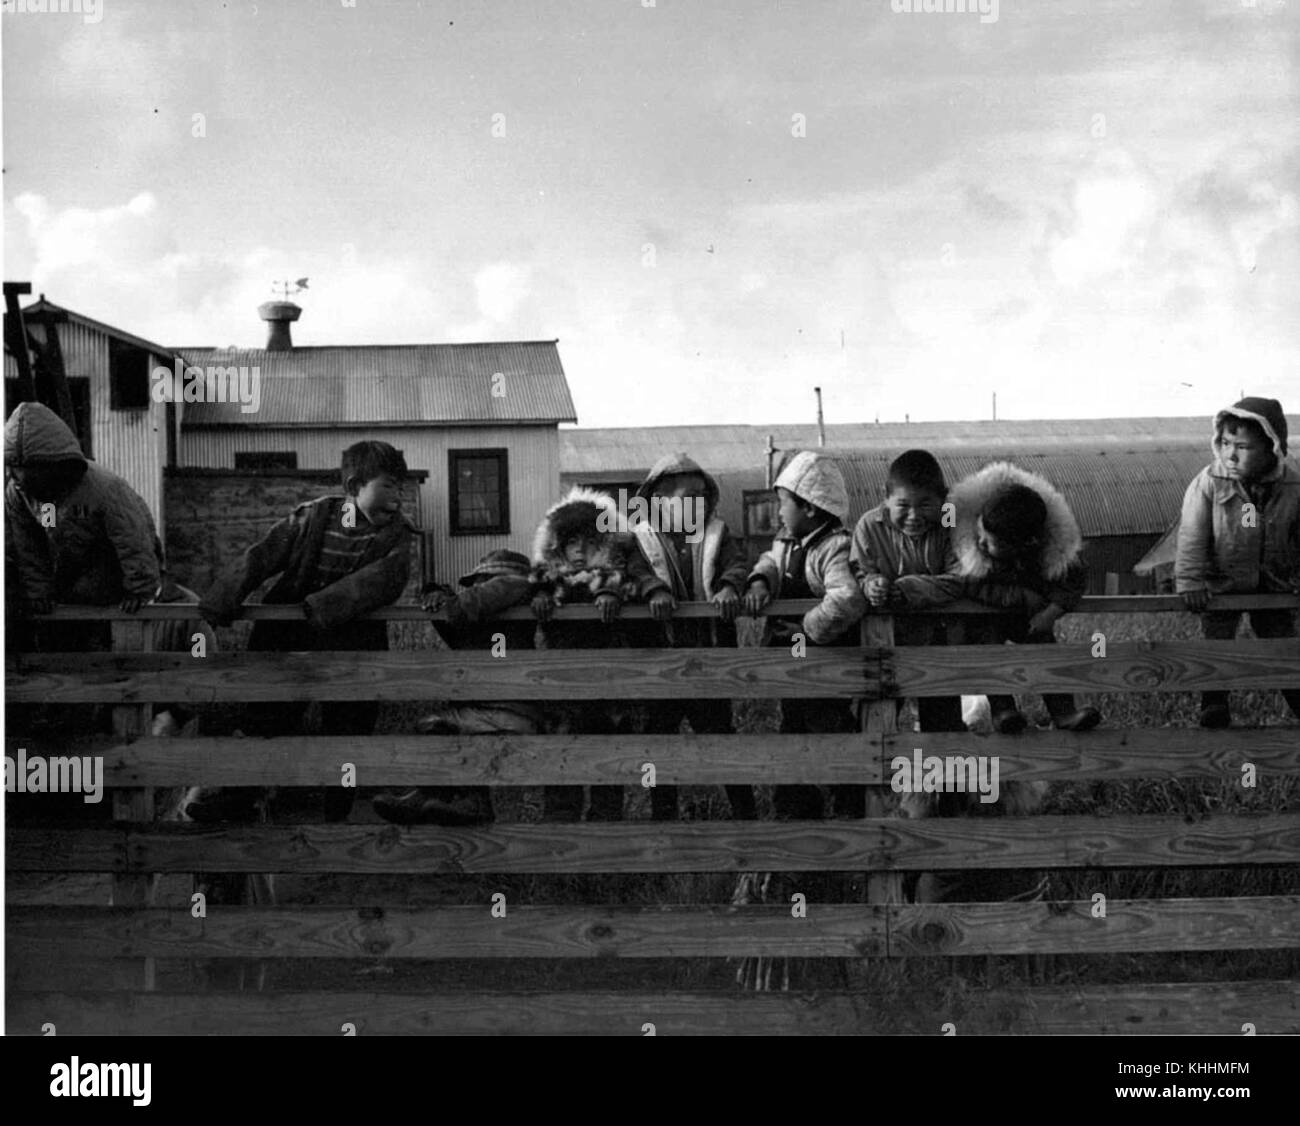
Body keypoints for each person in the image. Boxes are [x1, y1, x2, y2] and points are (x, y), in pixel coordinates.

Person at [193, 439, 414, 825]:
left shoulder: (396, 535)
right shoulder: (314, 518)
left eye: (401, 488)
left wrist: (325, 605)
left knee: (349, 729)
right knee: (268, 717)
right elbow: (262, 555)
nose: (396, 499)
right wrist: (221, 599)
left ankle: (336, 819)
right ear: (353, 487)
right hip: (290, 633)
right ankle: (242, 796)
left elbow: (385, 580)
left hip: (353, 641)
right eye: (387, 487)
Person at [900, 461, 1101, 736]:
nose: (980, 543)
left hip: (1030, 618)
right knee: (988, 648)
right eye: (980, 534)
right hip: (985, 614)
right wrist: (1019, 597)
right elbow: (966, 584)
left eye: (990, 542)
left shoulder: (1054, 548)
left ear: (1026, 544)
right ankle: (1003, 710)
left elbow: (1073, 581)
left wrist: (1050, 613)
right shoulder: (964, 542)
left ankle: (1064, 712)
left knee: (1044, 649)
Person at [624, 453, 755, 820]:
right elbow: (631, 572)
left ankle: (745, 816)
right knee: (659, 742)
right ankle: (662, 817)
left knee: (719, 738)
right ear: (658, 502)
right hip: (660, 665)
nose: (696, 503)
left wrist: (730, 587)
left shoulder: (718, 535)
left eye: (701, 495)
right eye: (686, 496)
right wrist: (653, 590)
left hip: (708, 659)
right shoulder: (642, 540)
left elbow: (738, 562)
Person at [530, 486, 669, 821]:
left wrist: (612, 591)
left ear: (603, 542)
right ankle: (560, 827)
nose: (580, 550)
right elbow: (534, 588)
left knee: (608, 753)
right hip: (563, 684)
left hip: (610, 682)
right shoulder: (547, 580)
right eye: (572, 542)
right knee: (563, 752)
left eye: (590, 541)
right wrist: (541, 597)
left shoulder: (619, 573)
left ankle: (605, 828)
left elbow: (637, 579)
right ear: (558, 545)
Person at [744, 451, 868, 820]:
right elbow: (771, 560)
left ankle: (851, 804)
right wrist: (761, 580)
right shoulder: (788, 542)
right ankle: (796, 810)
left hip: (825, 663)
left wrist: (808, 628)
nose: (780, 512)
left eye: (785, 504)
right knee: (793, 724)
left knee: (828, 727)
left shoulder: (835, 548)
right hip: (794, 659)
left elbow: (847, 597)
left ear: (810, 509)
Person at [373, 549, 539, 825]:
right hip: (476, 712)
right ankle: (431, 795)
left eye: (483, 580)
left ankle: (472, 803)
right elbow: (452, 619)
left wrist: (451, 601)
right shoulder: (475, 619)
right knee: (433, 727)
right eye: (476, 581)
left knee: (463, 735)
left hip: (514, 713)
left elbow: (495, 592)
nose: (476, 586)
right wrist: (435, 594)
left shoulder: (517, 589)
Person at [1176, 397, 1300, 727]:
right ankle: (1214, 705)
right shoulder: (1210, 482)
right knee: (1217, 645)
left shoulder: (1293, 485)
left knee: (1282, 648)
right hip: (1222, 585)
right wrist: (1190, 580)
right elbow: (1192, 533)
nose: (1230, 454)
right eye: (1226, 443)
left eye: (1243, 447)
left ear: (1271, 447)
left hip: (1273, 585)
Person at [850, 449, 965, 735]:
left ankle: (944, 778)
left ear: (944, 499)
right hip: (884, 639)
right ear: (886, 498)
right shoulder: (869, 525)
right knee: (877, 718)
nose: (914, 516)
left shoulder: (950, 522)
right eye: (903, 505)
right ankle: (875, 779)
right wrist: (871, 584)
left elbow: (960, 578)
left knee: (942, 721)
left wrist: (906, 589)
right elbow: (858, 571)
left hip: (939, 640)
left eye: (926, 505)